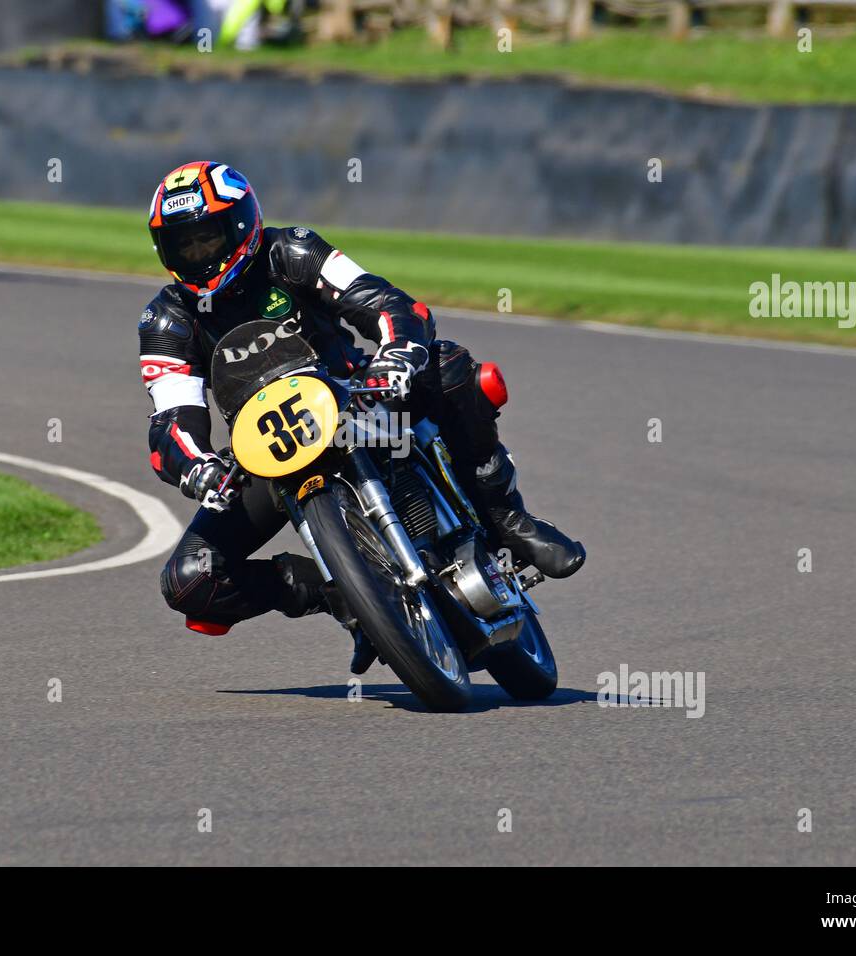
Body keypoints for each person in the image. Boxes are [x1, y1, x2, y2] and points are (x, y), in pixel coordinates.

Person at [139, 161, 586, 672]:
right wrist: (198, 467)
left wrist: (394, 356)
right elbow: (171, 418)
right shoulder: (166, 319)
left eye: (207, 239)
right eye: (183, 245)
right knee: (190, 579)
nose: (198, 255)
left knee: (455, 367)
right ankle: (343, 597)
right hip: (270, 450)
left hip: (360, 401)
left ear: (241, 226)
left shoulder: (293, 251)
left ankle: (508, 518)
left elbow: (389, 303)